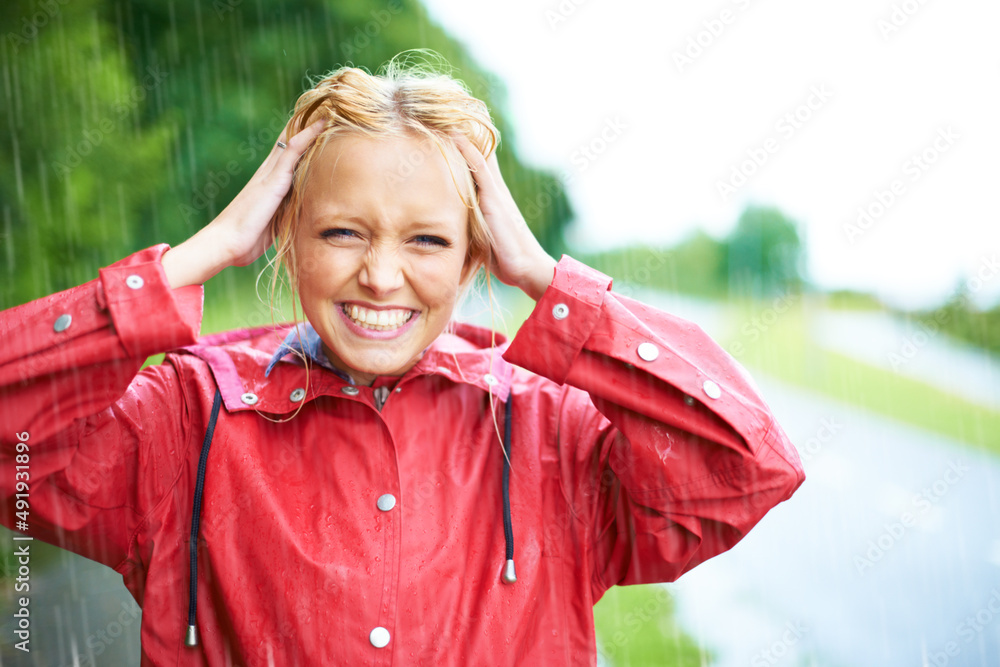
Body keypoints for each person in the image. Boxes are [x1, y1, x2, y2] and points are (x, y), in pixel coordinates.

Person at [0, 54, 805, 666]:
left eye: (427, 239)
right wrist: (201, 253)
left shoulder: (550, 431)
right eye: (342, 231)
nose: (382, 275)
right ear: (285, 237)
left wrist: (545, 281)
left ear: (472, 257)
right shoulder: (187, 418)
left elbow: (745, 466)